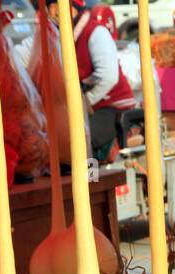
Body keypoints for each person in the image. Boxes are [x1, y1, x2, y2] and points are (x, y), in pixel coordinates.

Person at [50, 0, 136, 163]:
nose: (53, 13)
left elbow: (108, 76)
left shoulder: (95, 32)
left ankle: (92, 182)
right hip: (83, 107)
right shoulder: (61, 35)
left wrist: (85, 102)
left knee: (77, 139)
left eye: (55, 6)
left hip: (111, 107)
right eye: (50, 8)